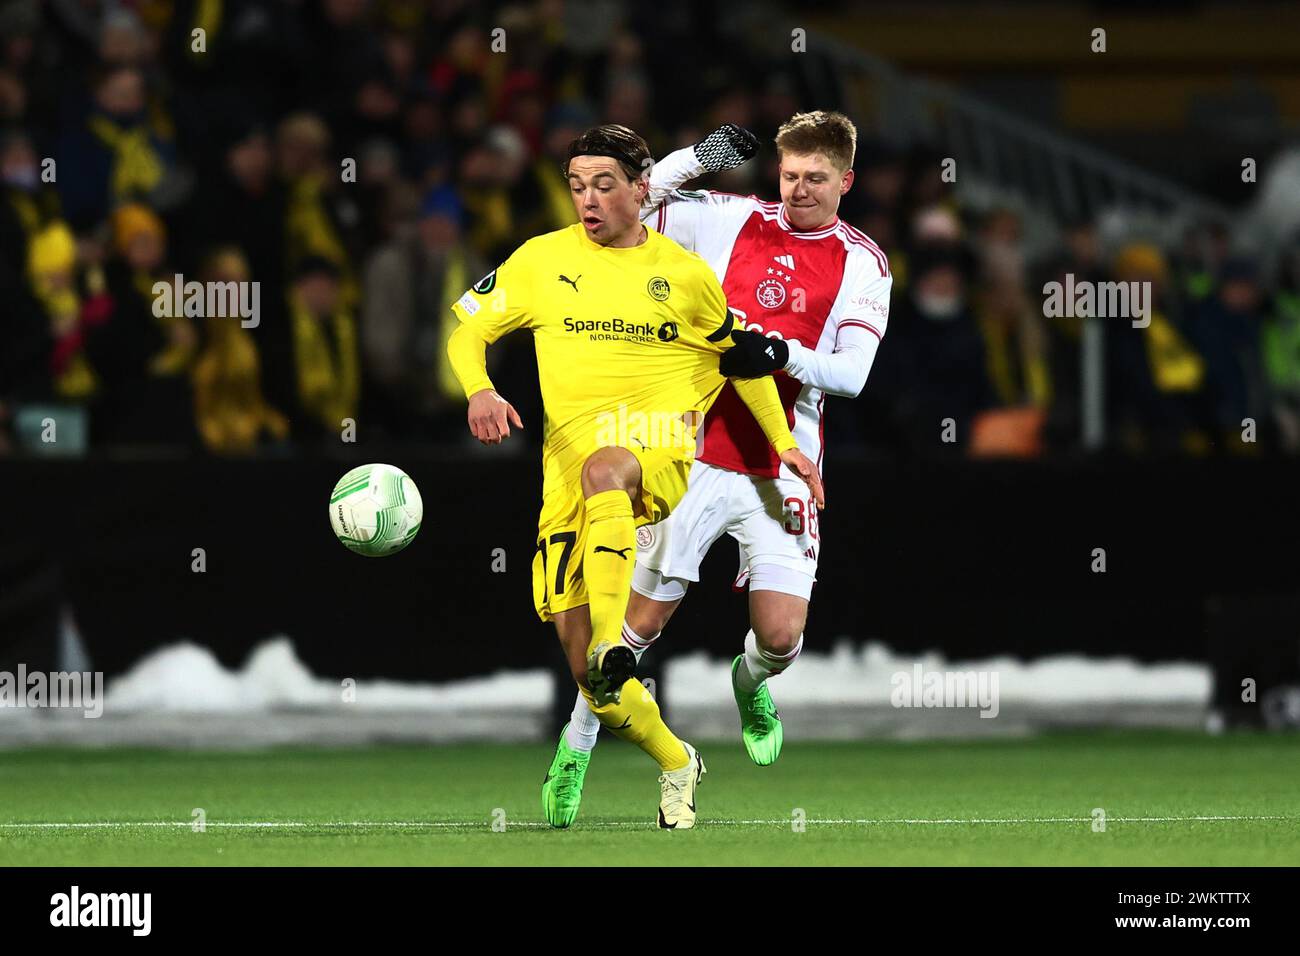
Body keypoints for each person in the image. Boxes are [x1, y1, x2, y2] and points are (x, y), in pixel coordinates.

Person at [446, 124, 824, 829]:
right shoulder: (540, 259)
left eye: (604, 186)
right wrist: (479, 387)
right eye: (577, 186)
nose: (587, 201)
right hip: (566, 479)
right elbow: (467, 328)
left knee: (607, 473)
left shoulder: (683, 276)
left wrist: (785, 446)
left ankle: (618, 639)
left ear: (639, 191)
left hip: (653, 454)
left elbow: (742, 363)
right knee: (594, 677)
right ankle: (678, 759)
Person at [547, 113, 893, 825]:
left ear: (845, 182)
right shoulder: (732, 219)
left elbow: (853, 375)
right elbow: (633, 199)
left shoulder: (864, 262)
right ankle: (573, 752)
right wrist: (696, 157)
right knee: (631, 631)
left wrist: (777, 354)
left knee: (780, 638)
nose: (797, 191)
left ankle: (751, 683)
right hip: (692, 452)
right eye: (789, 174)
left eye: (815, 179)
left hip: (783, 459)